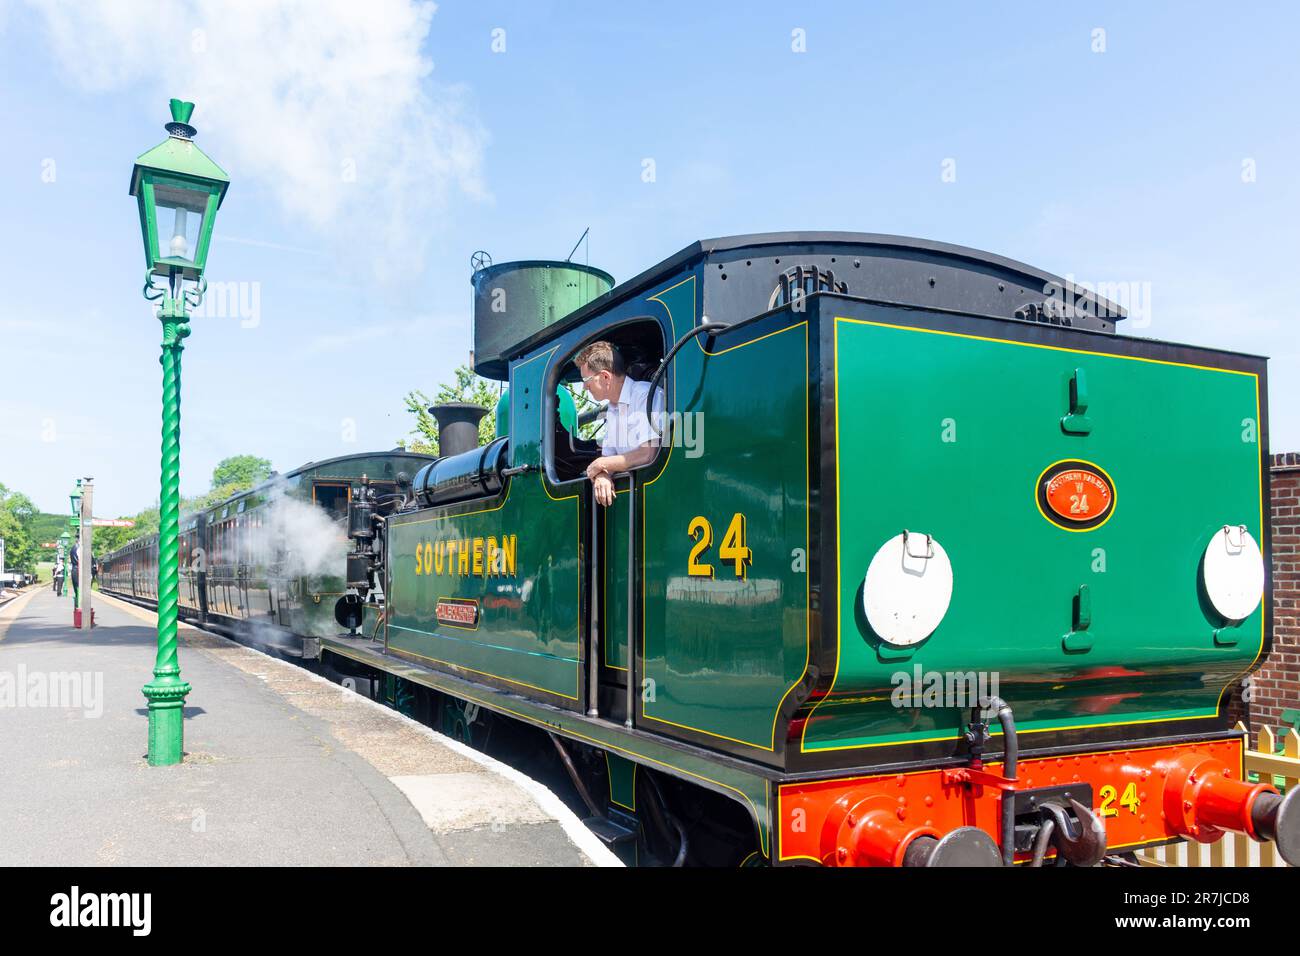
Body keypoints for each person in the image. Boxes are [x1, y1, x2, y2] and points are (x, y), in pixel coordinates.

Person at [575, 340, 665, 507]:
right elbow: (608, 457)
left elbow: (648, 454)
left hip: (660, 499)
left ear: (605, 377)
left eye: (586, 379)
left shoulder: (644, 395)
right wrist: (602, 475)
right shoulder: (612, 408)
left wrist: (600, 465)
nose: (584, 387)